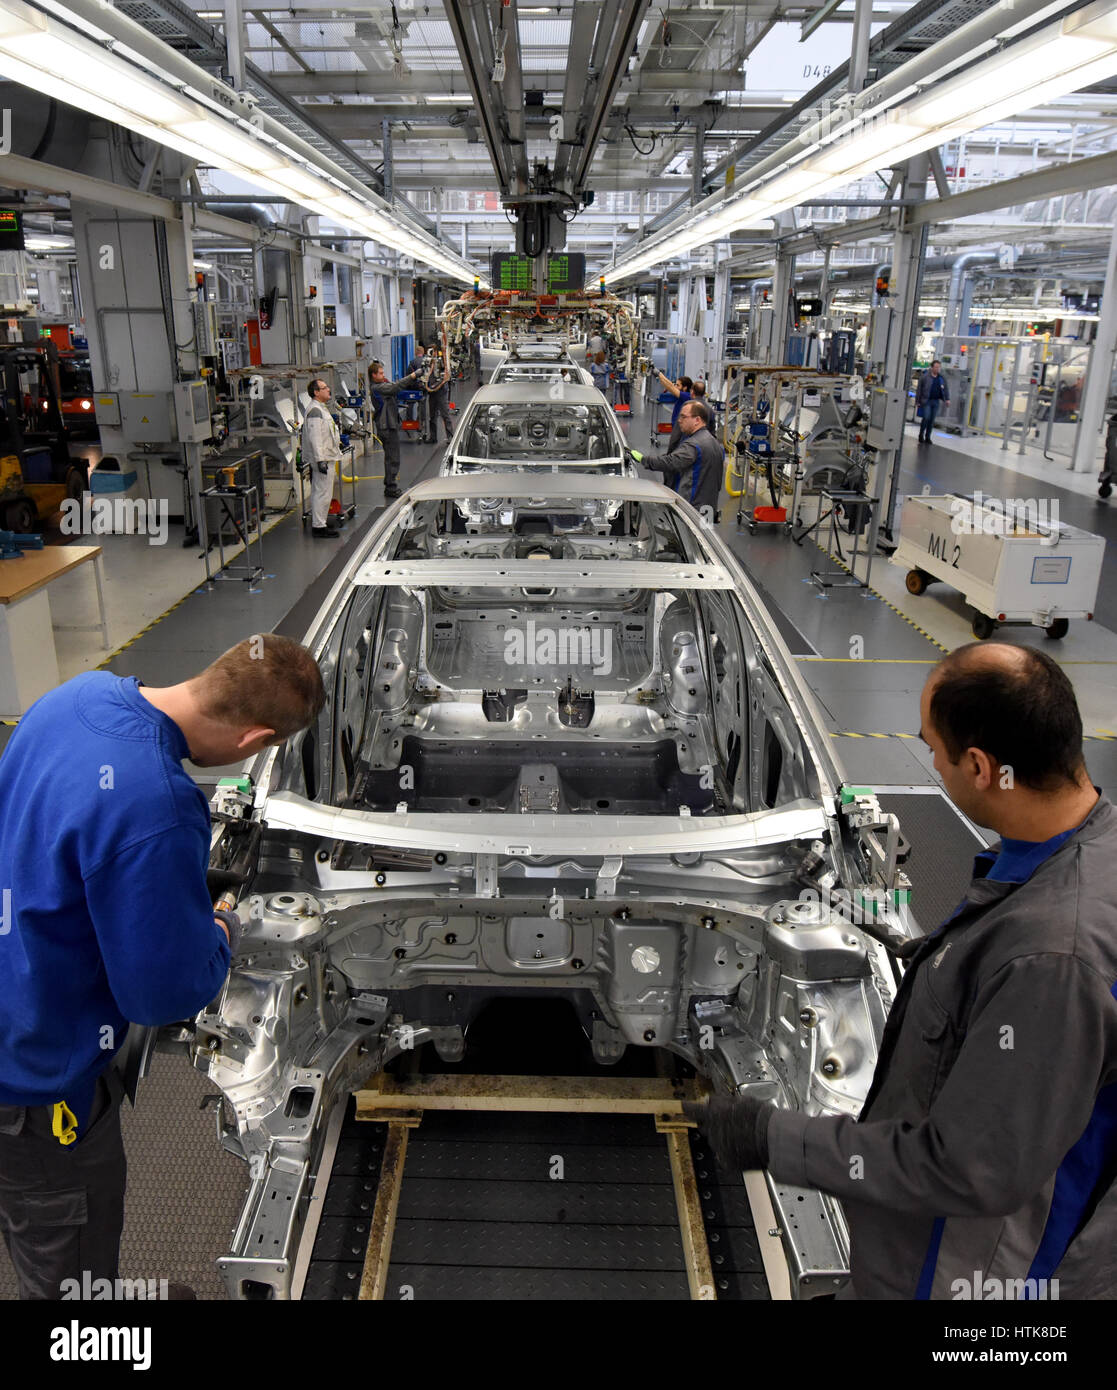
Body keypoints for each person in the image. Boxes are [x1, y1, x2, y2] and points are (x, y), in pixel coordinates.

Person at [686, 643, 1117, 1300]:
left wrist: (771, 1137)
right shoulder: (1078, 852)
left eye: (933, 751)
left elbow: (969, 1169)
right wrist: (933, 961)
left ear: (978, 766)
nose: (932, 765)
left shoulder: (1051, 955)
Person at [0, 635, 326, 1300]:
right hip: (33, 1082)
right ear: (255, 737)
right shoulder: (158, 802)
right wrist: (219, 926)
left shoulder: (75, 695)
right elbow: (161, 993)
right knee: (66, 1263)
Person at [648, 399, 724, 515]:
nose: (679, 420)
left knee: (688, 533)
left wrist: (643, 460)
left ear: (697, 420)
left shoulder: (693, 444)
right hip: (709, 508)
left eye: (683, 417)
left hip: (692, 510)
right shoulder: (715, 444)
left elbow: (670, 462)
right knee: (705, 532)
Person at [368, 360, 421, 499]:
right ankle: (391, 487)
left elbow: (395, 387)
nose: (383, 374)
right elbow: (394, 387)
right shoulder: (377, 388)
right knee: (393, 458)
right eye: (380, 373)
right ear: (373, 375)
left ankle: (389, 484)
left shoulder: (381, 385)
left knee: (391, 457)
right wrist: (413, 376)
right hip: (386, 427)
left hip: (389, 425)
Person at [301, 377, 342, 539]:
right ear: (316, 392)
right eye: (324, 388)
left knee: (324, 492)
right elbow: (315, 437)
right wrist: (320, 460)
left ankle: (321, 522)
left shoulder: (321, 408)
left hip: (327, 456)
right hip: (323, 458)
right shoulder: (315, 411)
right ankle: (318, 527)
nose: (328, 390)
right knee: (321, 493)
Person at [422, 346, 453, 445]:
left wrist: (435, 385)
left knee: (445, 415)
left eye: (434, 352)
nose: (433, 354)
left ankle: (450, 437)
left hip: (441, 392)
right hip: (432, 393)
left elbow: (445, 376)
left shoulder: (443, 363)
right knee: (432, 416)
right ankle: (433, 437)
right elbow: (426, 374)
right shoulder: (430, 363)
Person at [916, 359, 949, 443]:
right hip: (927, 401)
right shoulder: (925, 377)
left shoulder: (941, 378)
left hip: (936, 401)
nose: (937, 369)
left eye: (939, 367)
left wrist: (947, 399)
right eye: (936, 367)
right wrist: (918, 401)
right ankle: (921, 434)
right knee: (926, 417)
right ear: (932, 367)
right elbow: (919, 389)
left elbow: (945, 389)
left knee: (932, 420)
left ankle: (928, 437)